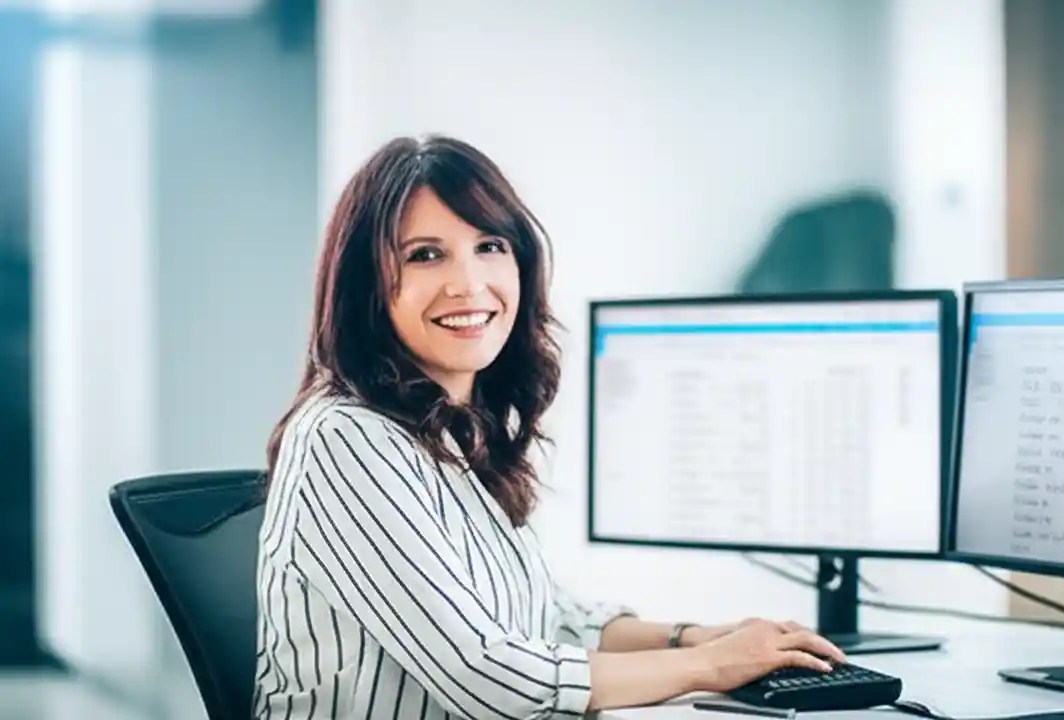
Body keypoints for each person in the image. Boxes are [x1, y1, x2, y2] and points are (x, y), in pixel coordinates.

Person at [252, 135, 846, 719]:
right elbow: (489, 677)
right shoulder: (344, 438)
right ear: (366, 285)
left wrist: (700, 638)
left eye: (490, 246)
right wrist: (710, 666)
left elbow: (547, 620)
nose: (469, 283)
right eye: (425, 255)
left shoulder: (452, 433)